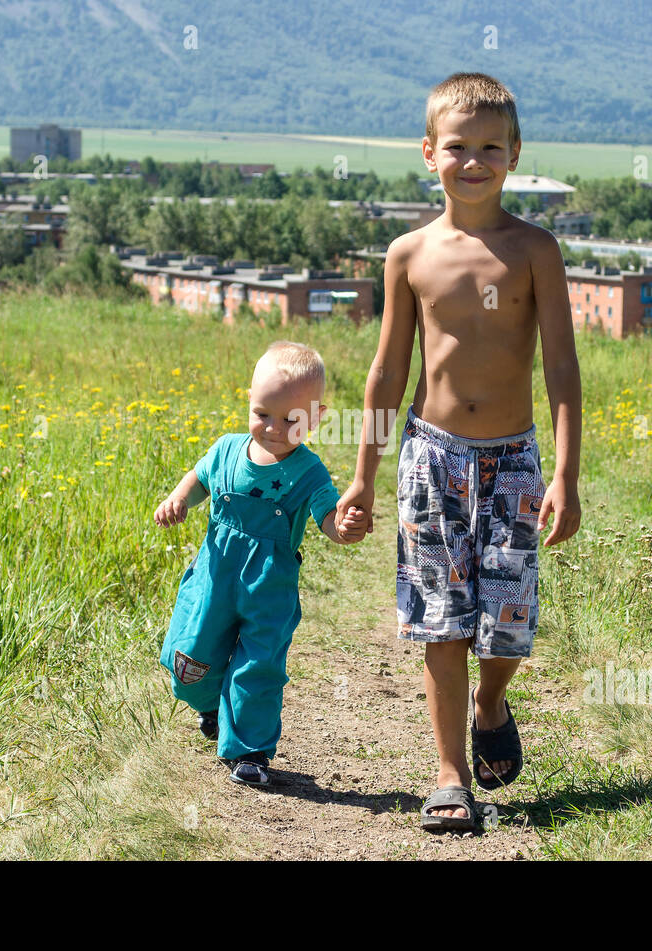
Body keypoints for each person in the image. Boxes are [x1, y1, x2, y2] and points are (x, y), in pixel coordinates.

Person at [336, 72, 583, 831]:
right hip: (430, 459)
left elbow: (562, 368)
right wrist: (363, 477)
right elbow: (387, 373)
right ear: (428, 153)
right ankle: (448, 777)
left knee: (505, 624)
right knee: (440, 620)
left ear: (514, 154)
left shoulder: (536, 250)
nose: (472, 162)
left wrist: (566, 475)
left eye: (488, 148)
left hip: (512, 460)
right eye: (456, 148)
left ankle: (490, 699)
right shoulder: (408, 254)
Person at [156, 341, 365, 786]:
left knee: (258, 666)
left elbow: (325, 515)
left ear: (316, 417)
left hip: (269, 590)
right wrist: (179, 499)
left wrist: (341, 527)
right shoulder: (227, 449)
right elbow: (199, 479)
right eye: (261, 413)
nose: (272, 428)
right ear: (248, 400)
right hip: (214, 578)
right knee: (189, 659)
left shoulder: (309, 472)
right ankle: (213, 706)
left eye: (290, 420)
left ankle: (250, 749)